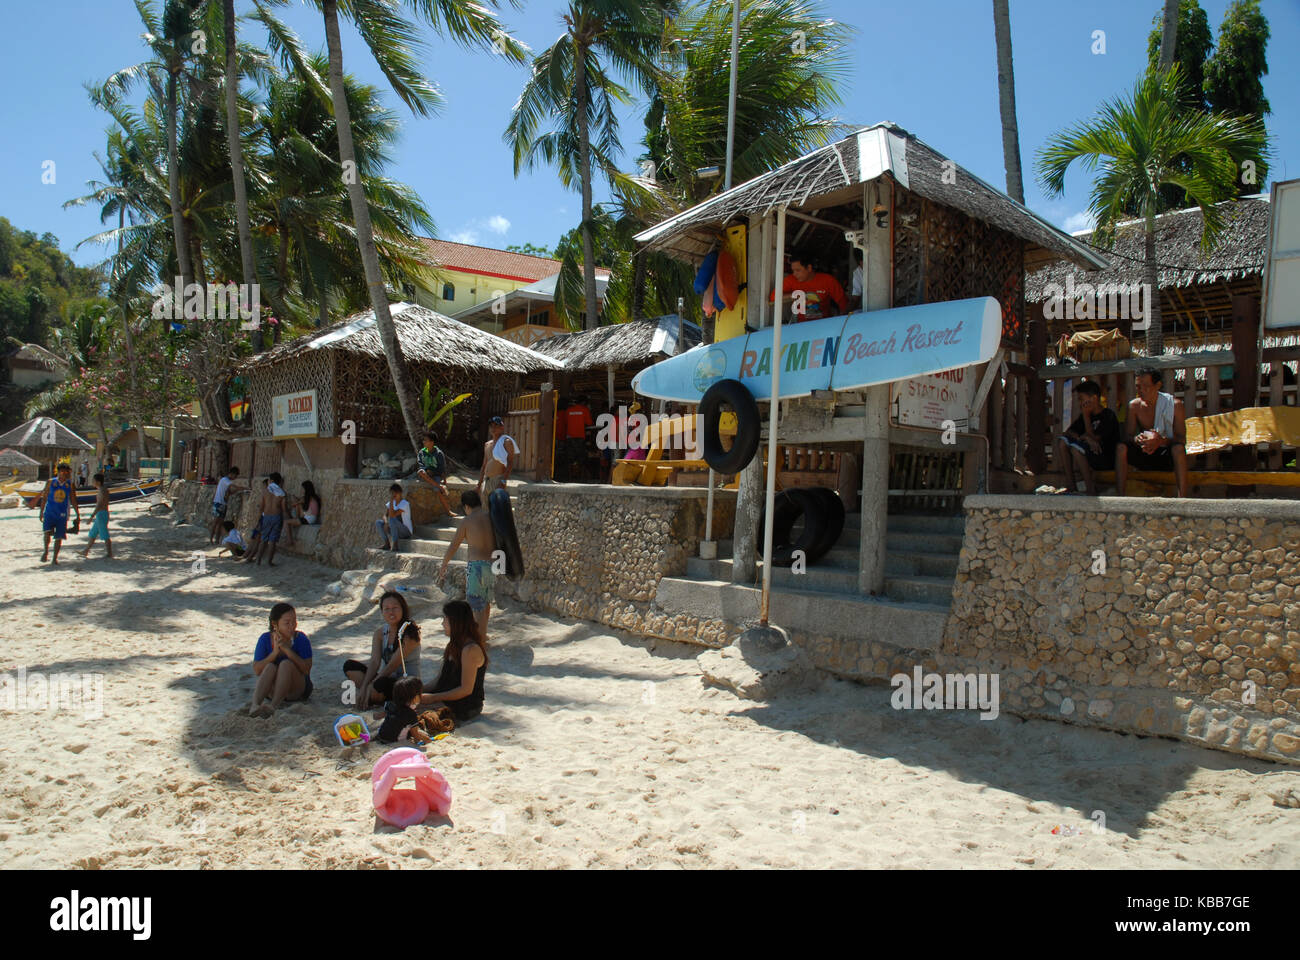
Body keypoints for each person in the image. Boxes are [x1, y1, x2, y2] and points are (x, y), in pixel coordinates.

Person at [343, 590, 422, 709]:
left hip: (406, 683)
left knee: (379, 685)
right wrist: (365, 686)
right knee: (349, 666)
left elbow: (392, 666)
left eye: (395, 608)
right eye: (387, 609)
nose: (391, 612)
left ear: (403, 609)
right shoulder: (380, 633)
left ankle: (372, 696)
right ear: (382, 611)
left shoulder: (410, 633)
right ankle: (371, 695)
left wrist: (371, 684)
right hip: (387, 677)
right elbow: (374, 662)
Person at [1117, 368, 1189, 498]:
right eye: (1138, 387)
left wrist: (1160, 441)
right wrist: (1137, 439)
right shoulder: (1134, 406)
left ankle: (1182, 497)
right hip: (1144, 452)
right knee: (1121, 448)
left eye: (1146, 386)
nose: (1141, 391)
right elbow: (1127, 436)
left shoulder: (1174, 405)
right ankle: (1120, 496)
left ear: (1158, 385)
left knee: (1178, 449)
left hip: (1165, 454)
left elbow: (1181, 439)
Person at [437, 489, 496, 642]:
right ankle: (484, 634)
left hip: (476, 566)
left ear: (466, 506)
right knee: (486, 602)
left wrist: (444, 564)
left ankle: (480, 640)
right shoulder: (490, 517)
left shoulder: (467, 521)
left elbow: (454, 545)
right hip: (491, 565)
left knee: (476, 606)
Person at [420, 600, 488, 723]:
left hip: (464, 705)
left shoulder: (470, 650)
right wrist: (418, 691)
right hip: (445, 696)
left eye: (445, 619)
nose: (442, 623)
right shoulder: (453, 645)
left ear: (455, 621)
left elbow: (466, 689)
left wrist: (433, 698)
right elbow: (439, 679)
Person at [1054, 381, 1119, 496]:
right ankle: (1071, 486)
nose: (1079, 402)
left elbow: (1095, 439)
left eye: (1081, 399)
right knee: (1063, 442)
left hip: (1104, 457)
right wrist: (1083, 437)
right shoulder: (1084, 416)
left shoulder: (1108, 415)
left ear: (1093, 398)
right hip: (1089, 452)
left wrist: (1086, 418)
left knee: (1076, 448)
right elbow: (1069, 432)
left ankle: (1090, 488)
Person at [248, 602, 313, 717]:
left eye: (294, 621)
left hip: (296, 689)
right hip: (272, 690)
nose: (292, 626)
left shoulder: (300, 639)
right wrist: (274, 654)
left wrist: (288, 650)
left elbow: (306, 669)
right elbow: (257, 670)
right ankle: (255, 705)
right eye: (287, 623)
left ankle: (273, 706)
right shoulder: (265, 639)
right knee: (270, 667)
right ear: (275, 624)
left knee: (286, 664)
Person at [770, 248, 848, 322]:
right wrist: (793, 295)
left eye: (798, 270)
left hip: (824, 325)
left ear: (809, 268)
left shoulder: (828, 280)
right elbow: (773, 298)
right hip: (801, 327)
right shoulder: (791, 280)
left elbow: (844, 305)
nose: (794, 274)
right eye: (793, 270)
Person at [34, 462, 80, 565]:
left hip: (62, 514)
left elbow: (73, 499)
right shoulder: (50, 482)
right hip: (49, 512)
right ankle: (46, 551)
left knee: (59, 537)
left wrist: (77, 514)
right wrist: (41, 512)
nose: (64, 474)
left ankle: (55, 558)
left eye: (66, 472)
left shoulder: (70, 484)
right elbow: (45, 497)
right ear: (58, 472)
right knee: (46, 532)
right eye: (62, 471)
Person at [242, 472, 287, 566]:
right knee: (273, 541)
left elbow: (261, 507)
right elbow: (284, 508)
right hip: (276, 516)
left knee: (263, 540)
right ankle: (269, 562)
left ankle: (258, 561)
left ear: (271, 480)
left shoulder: (265, 492)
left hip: (266, 517)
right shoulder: (282, 493)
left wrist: (258, 519)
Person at [414, 430, 458, 517]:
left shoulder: (439, 453)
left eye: (425, 440)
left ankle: (448, 511)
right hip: (425, 474)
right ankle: (439, 486)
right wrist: (427, 470)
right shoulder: (421, 452)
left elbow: (442, 468)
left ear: (432, 442)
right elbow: (421, 465)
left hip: (435, 475)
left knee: (439, 492)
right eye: (424, 440)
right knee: (421, 472)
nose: (424, 442)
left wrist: (444, 480)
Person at [375, 676, 429, 745]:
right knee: (418, 732)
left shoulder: (390, 704)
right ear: (415, 697)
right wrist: (427, 741)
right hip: (393, 742)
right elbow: (416, 736)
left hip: (381, 736)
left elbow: (382, 716)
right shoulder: (411, 714)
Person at [478, 416, 518, 493]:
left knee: (497, 504)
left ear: (502, 427)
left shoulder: (506, 442)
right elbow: (484, 465)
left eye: (496, 426)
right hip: (486, 480)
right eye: (491, 426)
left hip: (497, 480)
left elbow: (510, 462)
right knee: (485, 505)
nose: (493, 428)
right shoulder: (487, 444)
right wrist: (479, 483)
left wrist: (503, 480)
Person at [561, 395, 594, 481]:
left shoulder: (568, 410)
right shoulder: (585, 410)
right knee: (581, 458)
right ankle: (581, 478)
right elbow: (589, 423)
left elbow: (565, 422)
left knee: (570, 458)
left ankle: (569, 477)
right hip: (580, 437)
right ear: (584, 403)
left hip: (569, 437)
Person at [208, 466, 244, 544]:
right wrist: (244, 488)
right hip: (218, 503)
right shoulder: (225, 480)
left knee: (220, 523)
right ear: (232, 474)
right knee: (216, 522)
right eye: (235, 475)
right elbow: (233, 487)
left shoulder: (225, 481)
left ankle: (216, 540)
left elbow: (229, 492)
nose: (235, 477)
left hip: (223, 504)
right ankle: (211, 539)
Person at [81, 473, 113, 559]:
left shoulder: (102, 491)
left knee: (104, 534)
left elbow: (99, 504)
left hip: (102, 514)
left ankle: (109, 553)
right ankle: (86, 550)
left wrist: (91, 516)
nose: (92, 482)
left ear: (98, 482)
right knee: (93, 533)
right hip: (102, 513)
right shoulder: (103, 489)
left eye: (93, 481)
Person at [375, 482, 413, 551]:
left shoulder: (404, 504)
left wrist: (392, 501)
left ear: (400, 493)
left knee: (392, 519)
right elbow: (385, 515)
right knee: (378, 523)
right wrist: (386, 523)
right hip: (394, 529)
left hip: (405, 532)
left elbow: (392, 515)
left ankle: (395, 544)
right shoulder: (392, 503)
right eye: (392, 493)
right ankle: (387, 543)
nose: (394, 495)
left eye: (395, 493)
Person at [284, 480, 321, 546]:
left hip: (308, 519)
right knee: (298, 505)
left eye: (302, 489)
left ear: (306, 489)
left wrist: (291, 499)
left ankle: (289, 540)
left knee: (286, 522)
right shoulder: (314, 497)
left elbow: (293, 504)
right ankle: (296, 520)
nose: (302, 490)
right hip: (312, 518)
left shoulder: (305, 498)